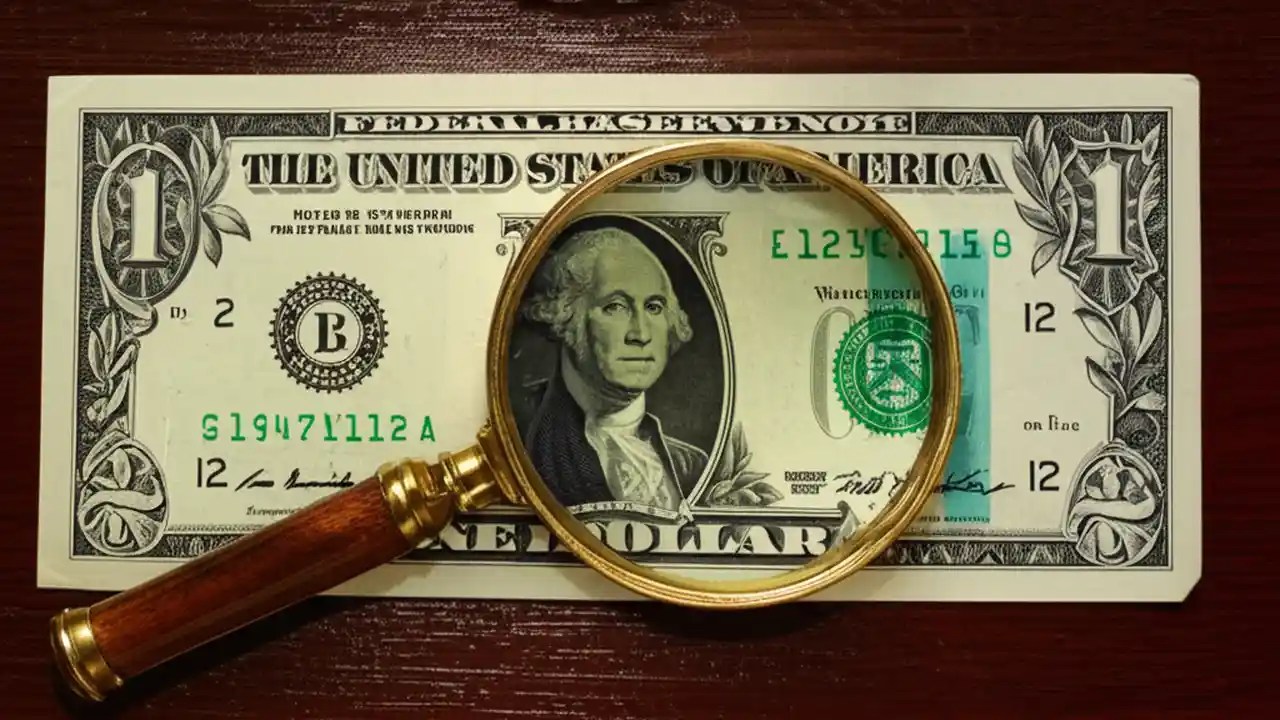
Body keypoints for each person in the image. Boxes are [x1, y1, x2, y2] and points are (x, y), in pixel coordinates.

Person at [519, 225, 709, 515]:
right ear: (566, 316)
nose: (641, 334)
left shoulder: (692, 464)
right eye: (616, 307)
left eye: (654, 307)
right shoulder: (526, 445)